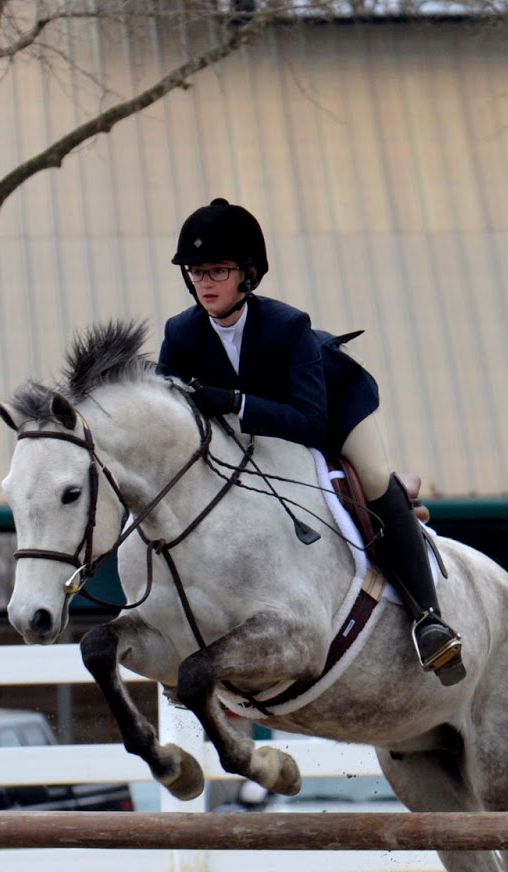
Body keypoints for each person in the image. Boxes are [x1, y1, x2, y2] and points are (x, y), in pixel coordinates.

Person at [157, 198, 463, 685]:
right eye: (196, 272)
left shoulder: (287, 326)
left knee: (374, 479)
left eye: (218, 270)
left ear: (248, 275)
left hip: (334, 410)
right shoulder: (181, 333)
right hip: (256, 432)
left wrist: (234, 402)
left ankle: (428, 618)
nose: (205, 283)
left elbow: (309, 422)